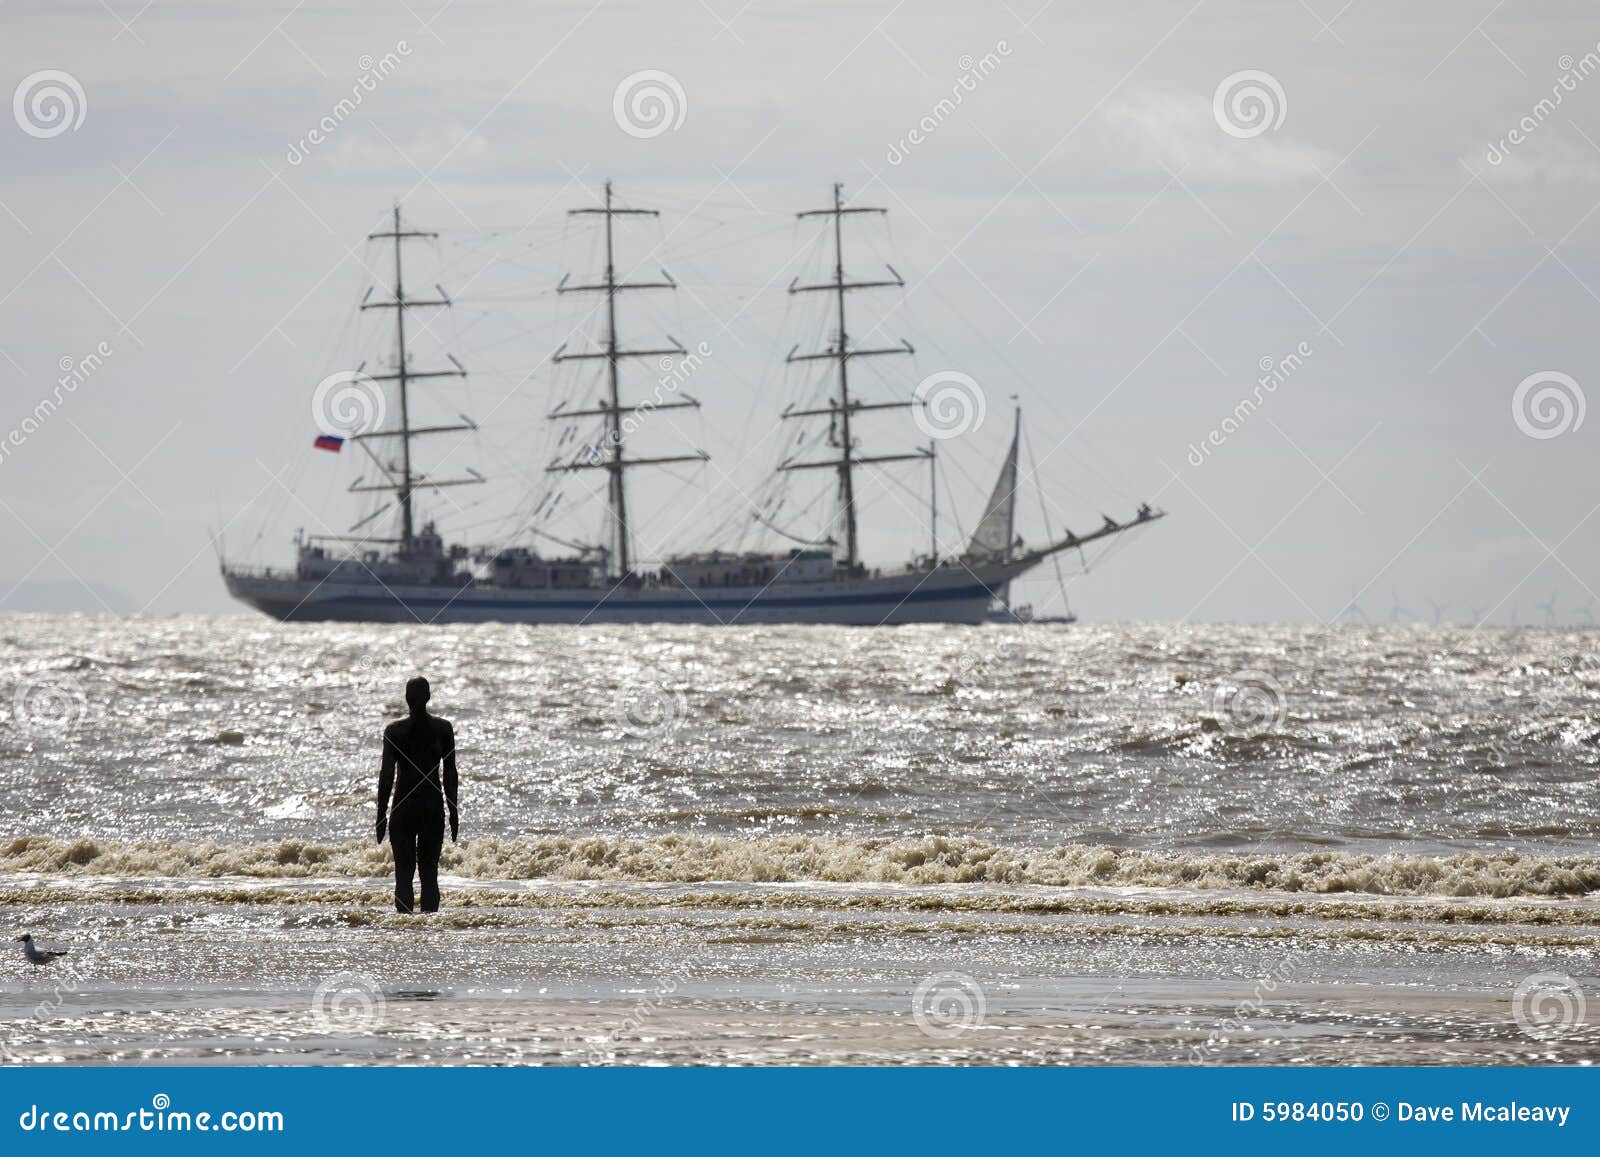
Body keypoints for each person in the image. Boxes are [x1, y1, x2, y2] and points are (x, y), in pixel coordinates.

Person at [375, 676, 459, 913]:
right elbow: (450, 773)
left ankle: (406, 930)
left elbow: (386, 777)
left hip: (402, 807)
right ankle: (429, 928)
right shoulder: (443, 729)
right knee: (429, 874)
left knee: (403, 874)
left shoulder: (394, 731)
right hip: (432, 807)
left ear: (406, 699)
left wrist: (380, 815)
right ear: (428, 697)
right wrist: (453, 811)